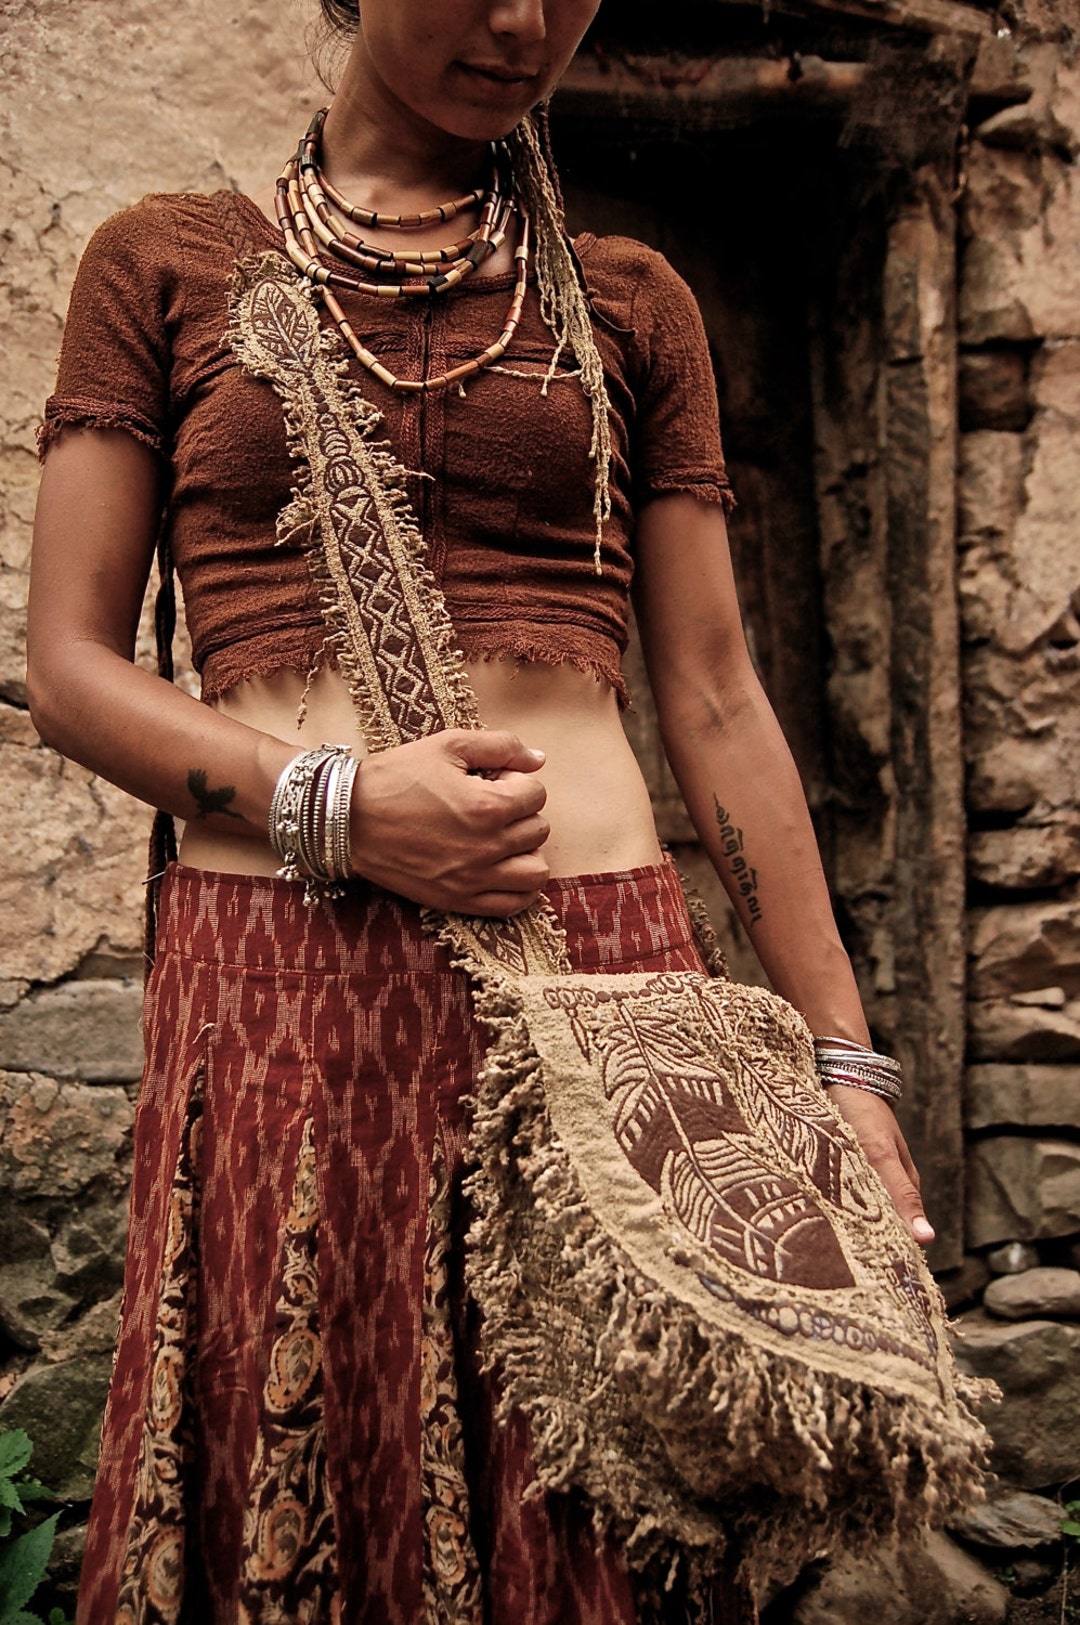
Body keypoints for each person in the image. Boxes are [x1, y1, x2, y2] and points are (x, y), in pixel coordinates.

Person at [27, 2, 937, 1619]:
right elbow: (68, 662)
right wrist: (338, 807)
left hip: (594, 984)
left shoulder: (632, 303)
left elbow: (717, 698)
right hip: (280, 978)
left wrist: (848, 1063)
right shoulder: (161, 265)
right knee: (310, 1458)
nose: (523, 22)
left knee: (592, 1498)